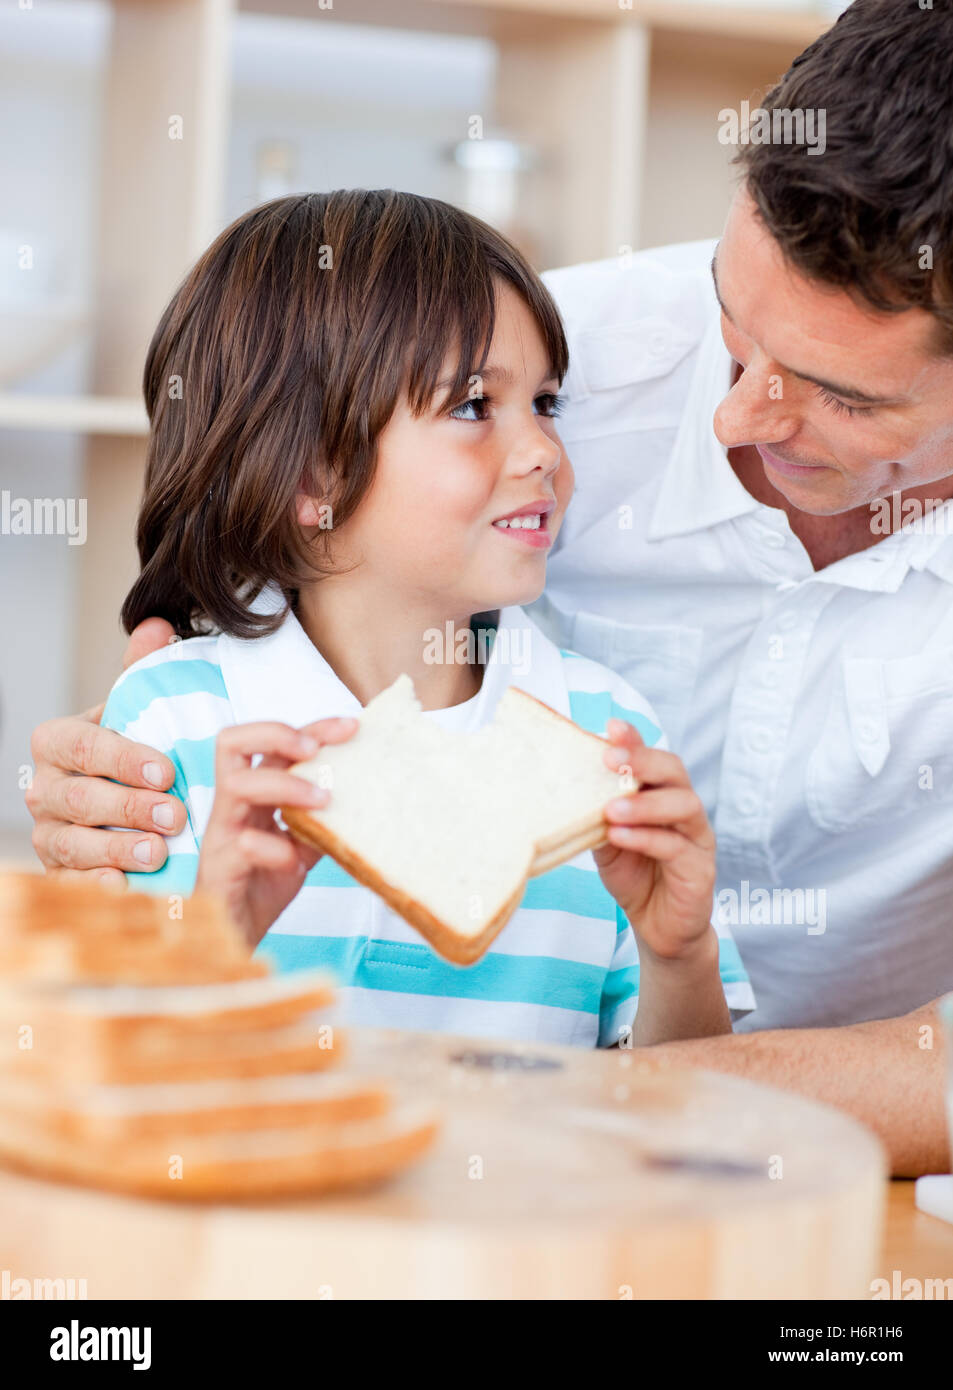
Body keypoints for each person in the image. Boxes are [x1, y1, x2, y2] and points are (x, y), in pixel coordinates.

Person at [25, 0, 953, 1172]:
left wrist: (669, 968)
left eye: (842, 396)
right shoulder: (535, 323)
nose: (730, 414)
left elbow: (669, 1080)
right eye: (731, 325)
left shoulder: (603, 728)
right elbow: (98, 1070)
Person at [43, 187, 749, 1050]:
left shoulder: (608, 735)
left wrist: (678, 953)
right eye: (472, 407)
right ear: (310, 479)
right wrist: (213, 944)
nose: (543, 452)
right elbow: (100, 1070)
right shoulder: (174, 723)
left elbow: (678, 1101)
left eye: (547, 403)